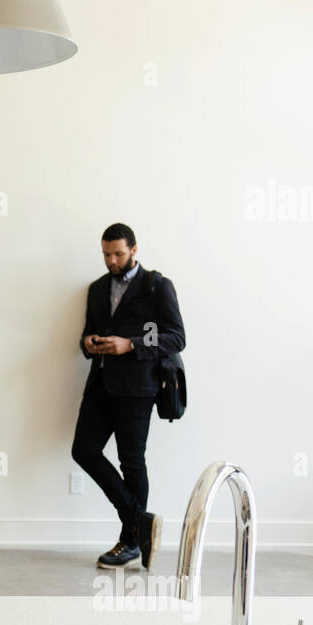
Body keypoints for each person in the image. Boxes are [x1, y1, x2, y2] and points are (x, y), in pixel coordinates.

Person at [72, 222, 186, 570]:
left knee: (131, 461)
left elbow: (176, 337)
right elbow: (87, 335)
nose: (111, 260)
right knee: (84, 451)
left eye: (118, 253)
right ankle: (140, 522)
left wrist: (131, 344)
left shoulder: (156, 286)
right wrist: (89, 343)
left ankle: (130, 540)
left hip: (138, 388)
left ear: (134, 250)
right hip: (100, 383)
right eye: (106, 254)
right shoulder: (96, 289)